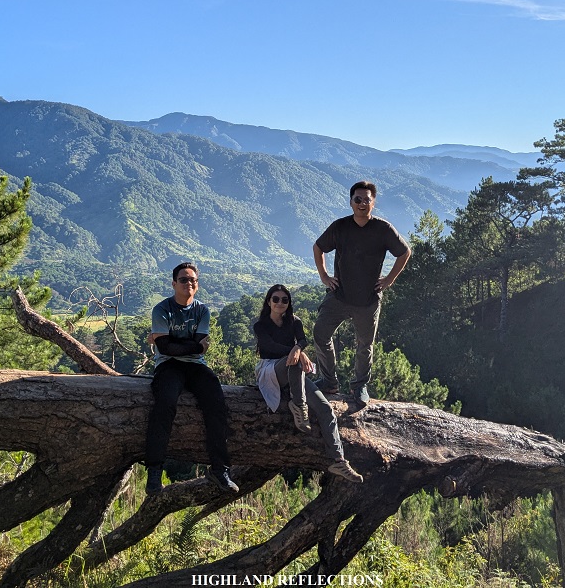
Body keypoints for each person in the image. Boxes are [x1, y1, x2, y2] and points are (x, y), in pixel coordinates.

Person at [312, 181, 411, 408]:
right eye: (358, 199)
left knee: (365, 344)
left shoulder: (383, 229)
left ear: (373, 203)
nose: (362, 203)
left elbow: (405, 252)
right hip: (338, 295)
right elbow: (318, 247)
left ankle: (359, 386)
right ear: (351, 202)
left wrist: (390, 279)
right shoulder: (340, 227)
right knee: (320, 333)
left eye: (367, 200)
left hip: (368, 299)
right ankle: (329, 381)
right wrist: (324, 276)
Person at [144, 262, 238, 496]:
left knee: (217, 405)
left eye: (193, 280)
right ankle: (154, 470)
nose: (189, 283)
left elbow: (181, 347)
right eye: (184, 279)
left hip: (196, 367)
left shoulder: (202, 310)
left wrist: (177, 345)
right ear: (174, 283)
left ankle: (220, 469)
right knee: (165, 405)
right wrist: (193, 345)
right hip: (168, 366)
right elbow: (166, 349)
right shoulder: (161, 309)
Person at [253, 284, 363, 483]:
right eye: (275, 299)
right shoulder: (260, 325)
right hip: (271, 369)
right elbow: (269, 346)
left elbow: (302, 339)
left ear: (289, 303)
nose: (280, 303)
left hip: (293, 372)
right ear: (268, 301)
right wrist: (296, 351)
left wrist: (298, 348)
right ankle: (299, 405)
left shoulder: (294, 321)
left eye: (284, 300)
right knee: (294, 362)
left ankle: (338, 460)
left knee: (325, 409)